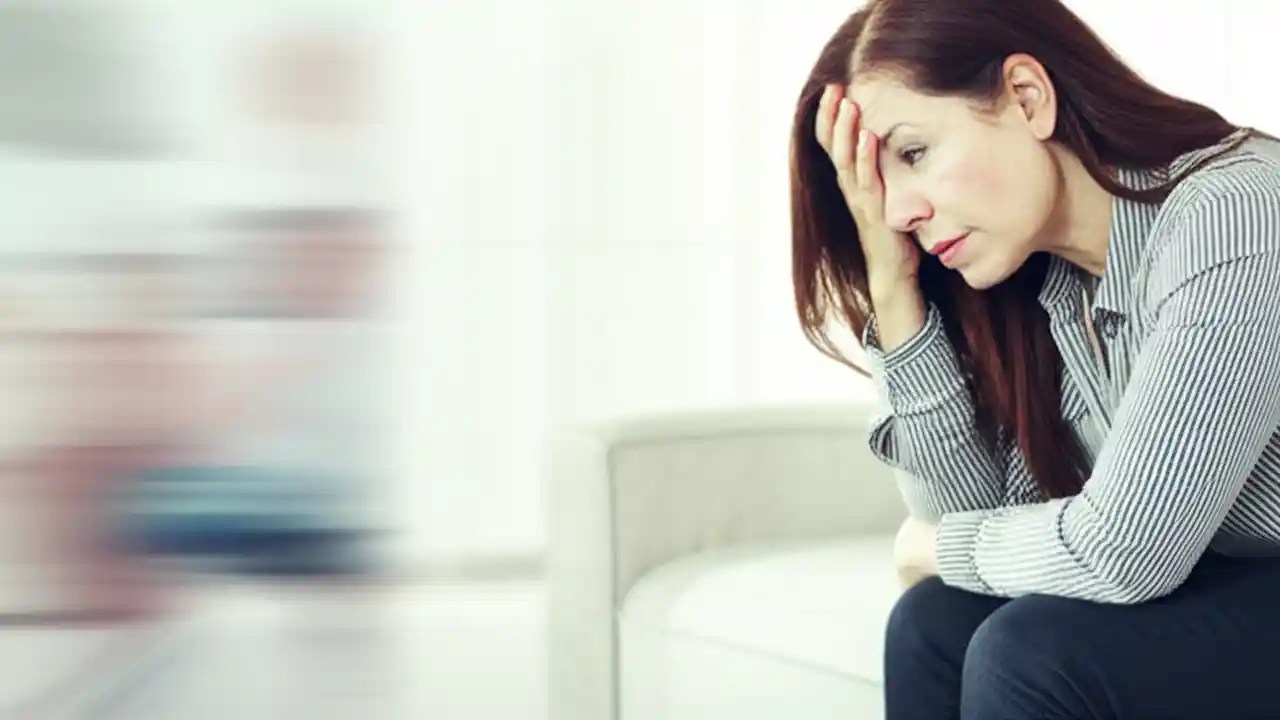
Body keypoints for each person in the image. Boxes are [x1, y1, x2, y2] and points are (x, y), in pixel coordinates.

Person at [789, 0, 1280, 717]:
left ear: (1027, 96)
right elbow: (979, 533)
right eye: (878, 189)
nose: (899, 214)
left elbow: (1125, 550)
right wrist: (894, 289)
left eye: (914, 153)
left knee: (1033, 652)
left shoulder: (1239, 211)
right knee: (934, 625)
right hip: (1246, 584)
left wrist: (937, 546)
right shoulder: (1049, 289)